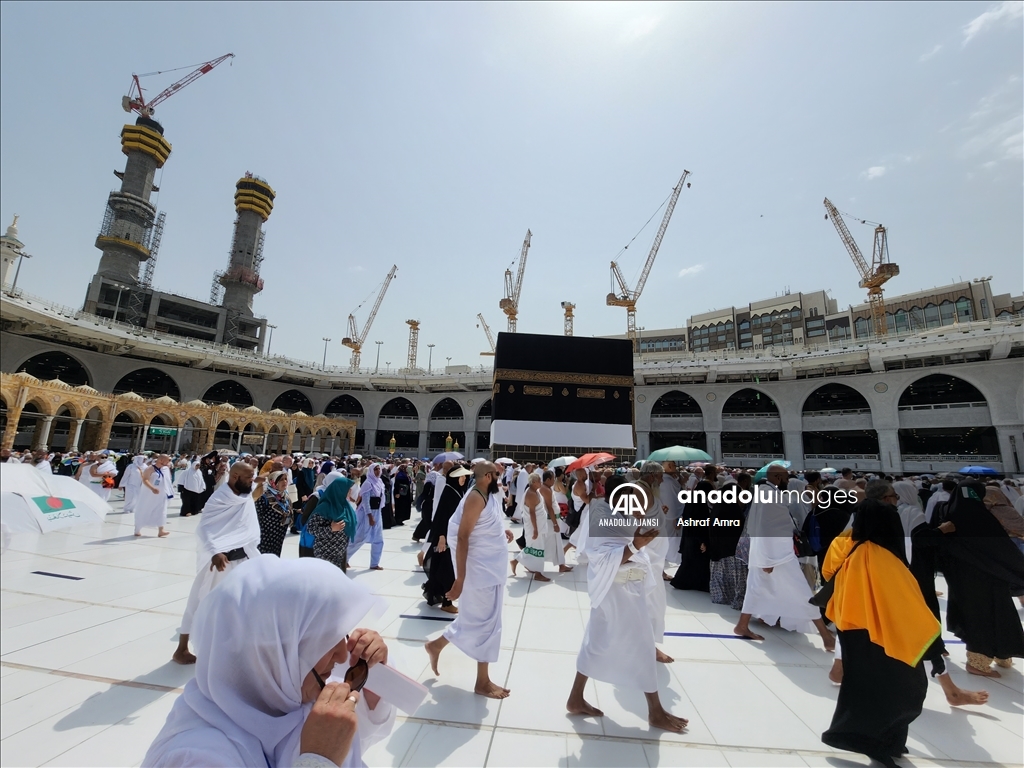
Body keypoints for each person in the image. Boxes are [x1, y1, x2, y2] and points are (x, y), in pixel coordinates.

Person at [144, 556, 394, 768]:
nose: (342, 655)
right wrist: (318, 760)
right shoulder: (195, 756)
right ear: (271, 654)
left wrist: (371, 674)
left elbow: (359, 734)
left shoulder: (281, 700)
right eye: (325, 639)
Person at [820, 499, 940, 768]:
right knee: (898, 691)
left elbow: (828, 572)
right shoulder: (881, 556)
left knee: (866, 690)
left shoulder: (848, 545)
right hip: (882, 636)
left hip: (854, 631)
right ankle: (877, 742)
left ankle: (886, 741)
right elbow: (907, 602)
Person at [567, 477, 689, 733]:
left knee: (597, 641)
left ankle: (576, 697)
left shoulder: (623, 514)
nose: (640, 505)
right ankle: (655, 712)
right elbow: (601, 557)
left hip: (629, 590)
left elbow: (634, 544)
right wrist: (636, 544)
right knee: (643, 645)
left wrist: (638, 537)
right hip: (616, 594)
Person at [424, 462, 515, 699]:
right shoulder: (476, 497)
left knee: (479, 620)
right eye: (496, 474)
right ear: (487, 476)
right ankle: (482, 682)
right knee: (486, 624)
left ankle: (436, 645)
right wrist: (461, 578)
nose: (499, 476)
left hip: (490, 567)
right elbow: (463, 537)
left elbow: (484, 523)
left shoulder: (488, 492)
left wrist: (499, 531)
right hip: (479, 570)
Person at [733, 464, 835, 649]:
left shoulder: (767, 492)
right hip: (775, 556)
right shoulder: (769, 494)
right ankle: (826, 636)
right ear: (778, 477)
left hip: (768, 553)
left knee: (755, 588)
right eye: (786, 476)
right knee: (802, 591)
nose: (788, 479)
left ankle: (742, 625)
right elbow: (765, 527)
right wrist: (767, 559)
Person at [173, 462, 265, 665]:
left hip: (244, 557)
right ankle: (181, 649)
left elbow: (249, 497)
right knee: (200, 601)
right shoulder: (220, 497)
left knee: (243, 603)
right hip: (221, 561)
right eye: (248, 478)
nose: (251, 481)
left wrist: (256, 481)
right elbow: (205, 527)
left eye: (252, 478)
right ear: (235, 477)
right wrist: (215, 551)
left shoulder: (243, 493)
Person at [941, 479, 1024, 677]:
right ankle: (978, 662)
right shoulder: (979, 516)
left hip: (960, 577)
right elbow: (1000, 548)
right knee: (987, 616)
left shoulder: (946, 511)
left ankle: (997, 655)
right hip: (987, 578)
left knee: (978, 615)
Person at [422, 465, 471, 613]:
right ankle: (447, 602)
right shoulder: (449, 492)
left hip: (453, 537)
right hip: (446, 538)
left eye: (464, 476)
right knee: (448, 570)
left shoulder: (457, 491)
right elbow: (442, 517)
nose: (464, 479)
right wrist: (442, 537)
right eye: (461, 476)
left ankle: (440, 595)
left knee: (444, 567)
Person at [705, 476, 749, 611]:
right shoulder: (732, 509)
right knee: (737, 579)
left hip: (719, 549)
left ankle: (722, 598)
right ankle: (737, 601)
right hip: (732, 551)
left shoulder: (719, 506)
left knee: (721, 576)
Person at [307, 476, 359, 573]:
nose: (350, 492)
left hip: (339, 553)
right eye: (348, 490)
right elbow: (311, 529)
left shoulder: (345, 506)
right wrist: (331, 528)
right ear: (339, 490)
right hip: (325, 553)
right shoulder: (325, 507)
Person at [513, 472, 553, 581]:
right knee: (537, 548)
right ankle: (538, 573)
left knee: (533, 548)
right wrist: (535, 529)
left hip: (539, 525)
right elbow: (532, 513)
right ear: (534, 482)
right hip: (535, 526)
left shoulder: (535, 491)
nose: (541, 482)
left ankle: (516, 561)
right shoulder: (531, 494)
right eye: (539, 481)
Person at [350, 463, 385, 570]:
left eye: (379, 469)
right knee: (360, 538)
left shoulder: (379, 482)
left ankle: (374, 563)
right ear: (371, 471)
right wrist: (370, 516)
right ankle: (343, 558)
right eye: (375, 469)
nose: (378, 471)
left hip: (377, 512)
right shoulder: (368, 483)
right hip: (367, 513)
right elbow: (365, 501)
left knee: (378, 540)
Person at [255, 471, 293, 557]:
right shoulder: (264, 498)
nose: (285, 482)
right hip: (265, 538)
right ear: (273, 482)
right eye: (281, 480)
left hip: (279, 537)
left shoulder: (285, 496)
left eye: (285, 479)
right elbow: (256, 519)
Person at [135, 454, 172, 538]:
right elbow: (145, 480)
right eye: (167, 460)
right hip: (150, 494)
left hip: (162, 494)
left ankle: (161, 530)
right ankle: (137, 528)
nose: (169, 462)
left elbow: (168, 481)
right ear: (161, 460)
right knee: (145, 509)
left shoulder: (166, 469)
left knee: (161, 511)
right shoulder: (150, 468)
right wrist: (152, 488)